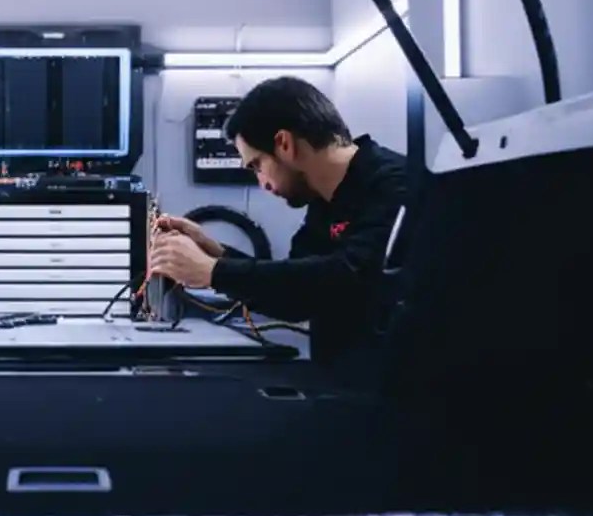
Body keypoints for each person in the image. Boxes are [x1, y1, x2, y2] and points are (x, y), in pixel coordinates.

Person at [149, 76, 407, 367]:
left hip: (392, 388)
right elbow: (296, 296)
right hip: (341, 380)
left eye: (257, 165)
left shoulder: (396, 184)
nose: (263, 184)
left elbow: (353, 278)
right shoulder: (325, 201)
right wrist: (216, 253)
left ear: (284, 144)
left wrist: (214, 272)